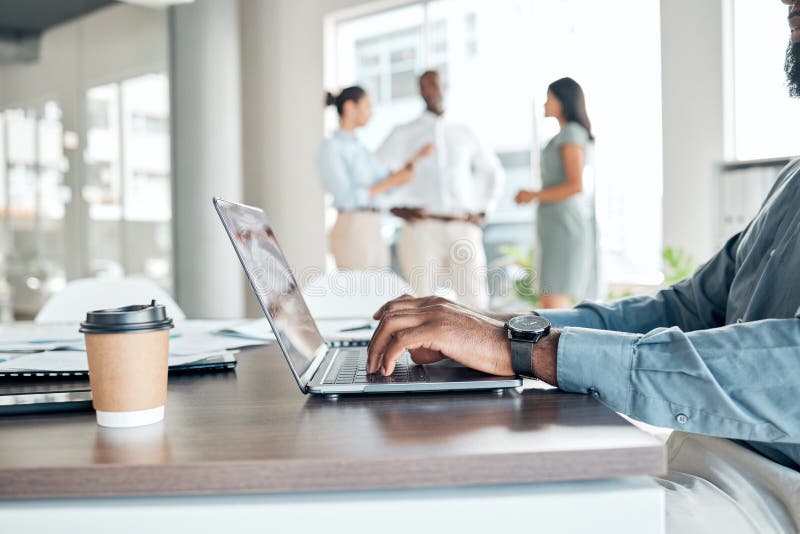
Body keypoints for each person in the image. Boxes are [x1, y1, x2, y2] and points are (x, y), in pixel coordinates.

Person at [366, 2, 800, 531]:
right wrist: (498, 329)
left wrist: (527, 350)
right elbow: (684, 307)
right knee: (455, 490)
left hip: (774, 490)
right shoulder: (792, 179)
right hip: (703, 456)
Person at [377, 71, 504, 309]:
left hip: (462, 227)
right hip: (421, 228)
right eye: (425, 87)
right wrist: (392, 207)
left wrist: (485, 210)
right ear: (420, 91)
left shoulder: (464, 131)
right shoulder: (403, 133)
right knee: (421, 303)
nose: (431, 92)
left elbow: (494, 172)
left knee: (475, 304)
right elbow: (373, 175)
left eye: (436, 85)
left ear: (446, 86)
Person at [318, 86, 433, 270]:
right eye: (367, 106)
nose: (371, 113)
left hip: (372, 225)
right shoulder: (331, 148)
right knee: (360, 293)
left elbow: (385, 184)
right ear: (349, 107)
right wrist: (392, 181)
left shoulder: (362, 150)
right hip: (352, 226)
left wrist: (414, 160)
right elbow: (347, 197)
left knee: (379, 294)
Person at [515, 78, 595, 308]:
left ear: (563, 101)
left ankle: (559, 345)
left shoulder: (571, 133)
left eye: (549, 98)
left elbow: (575, 184)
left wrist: (534, 195)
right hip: (555, 228)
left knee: (554, 299)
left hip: (565, 228)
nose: (544, 104)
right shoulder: (563, 135)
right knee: (549, 297)